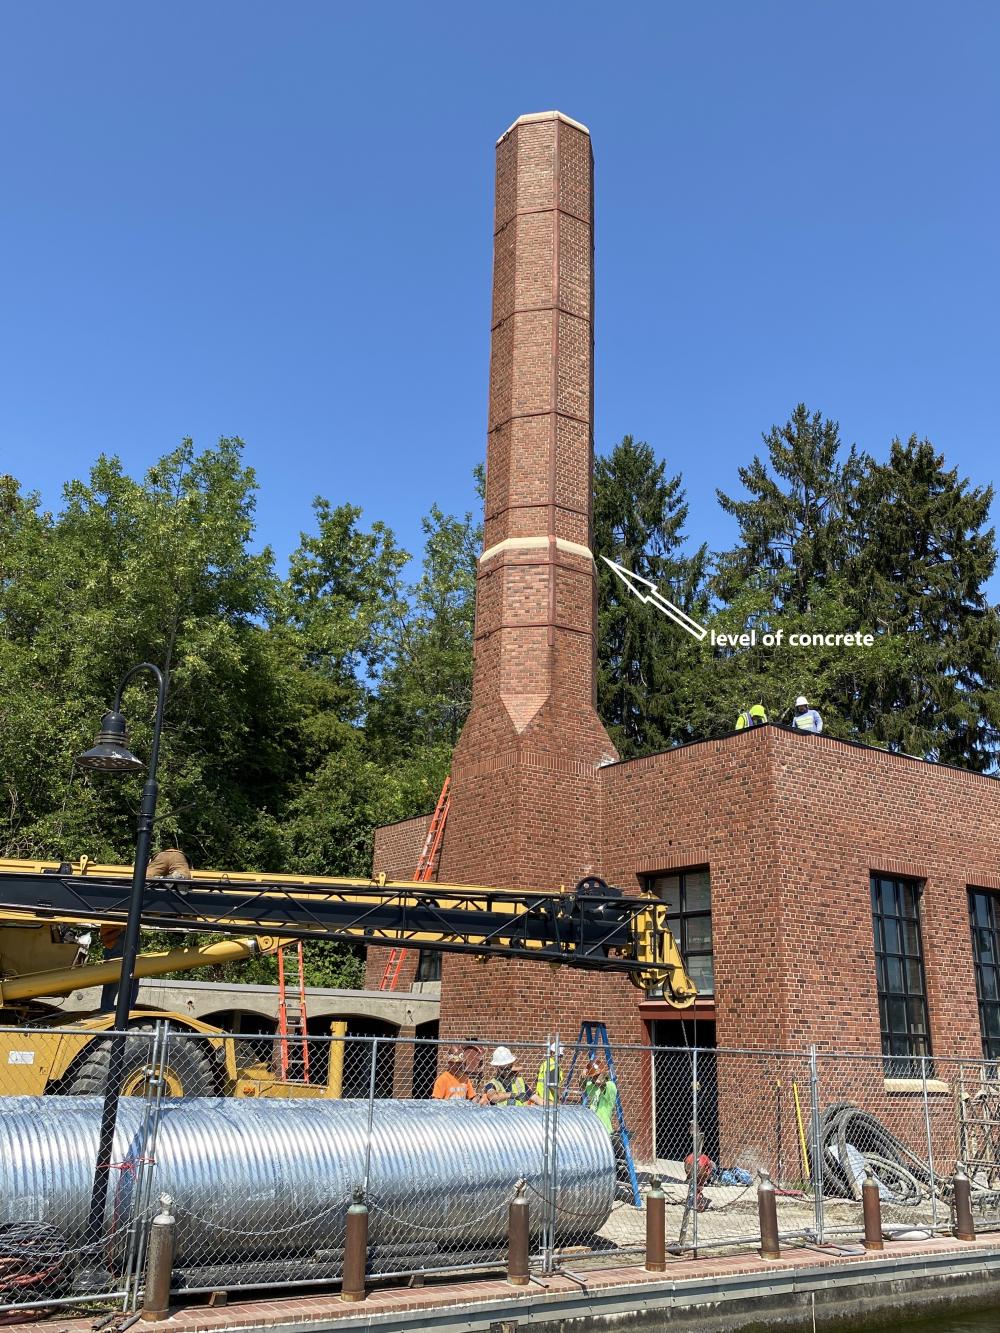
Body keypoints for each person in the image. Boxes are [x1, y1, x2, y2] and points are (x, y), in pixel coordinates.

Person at [99, 848, 192, 1013]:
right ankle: (170, 880)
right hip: (179, 859)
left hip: (118, 937)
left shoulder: (113, 904)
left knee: (115, 979)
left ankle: (110, 1010)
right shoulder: (117, 903)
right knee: (131, 977)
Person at [581, 1059, 631, 1199]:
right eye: (594, 1077)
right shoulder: (593, 1086)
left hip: (604, 1129)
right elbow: (583, 1086)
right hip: (592, 1128)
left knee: (609, 1159)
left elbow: (605, 1087)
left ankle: (620, 1176)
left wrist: (601, 1081)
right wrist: (583, 1077)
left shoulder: (610, 1086)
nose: (595, 1079)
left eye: (597, 1076)